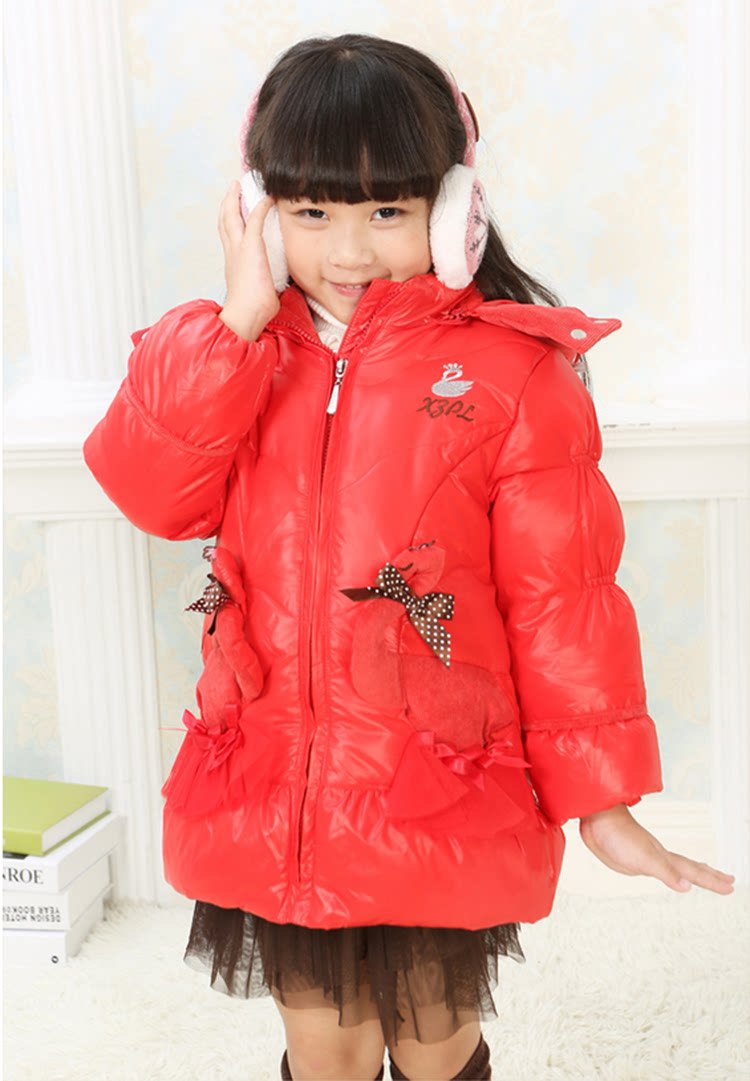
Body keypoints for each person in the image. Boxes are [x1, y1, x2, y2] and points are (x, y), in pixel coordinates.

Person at [83, 33, 735, 1081]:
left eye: (386, 211)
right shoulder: (223, 354)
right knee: (326, 1049)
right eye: (312, 212)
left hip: (436, 791)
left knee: (436, 1048)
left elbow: (561, 601)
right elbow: (152, 494)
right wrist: (239, 322)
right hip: (280, 794)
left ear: (451, 206)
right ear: (257, 210)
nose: (350, 250)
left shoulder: (514, 373)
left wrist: (601, 798)